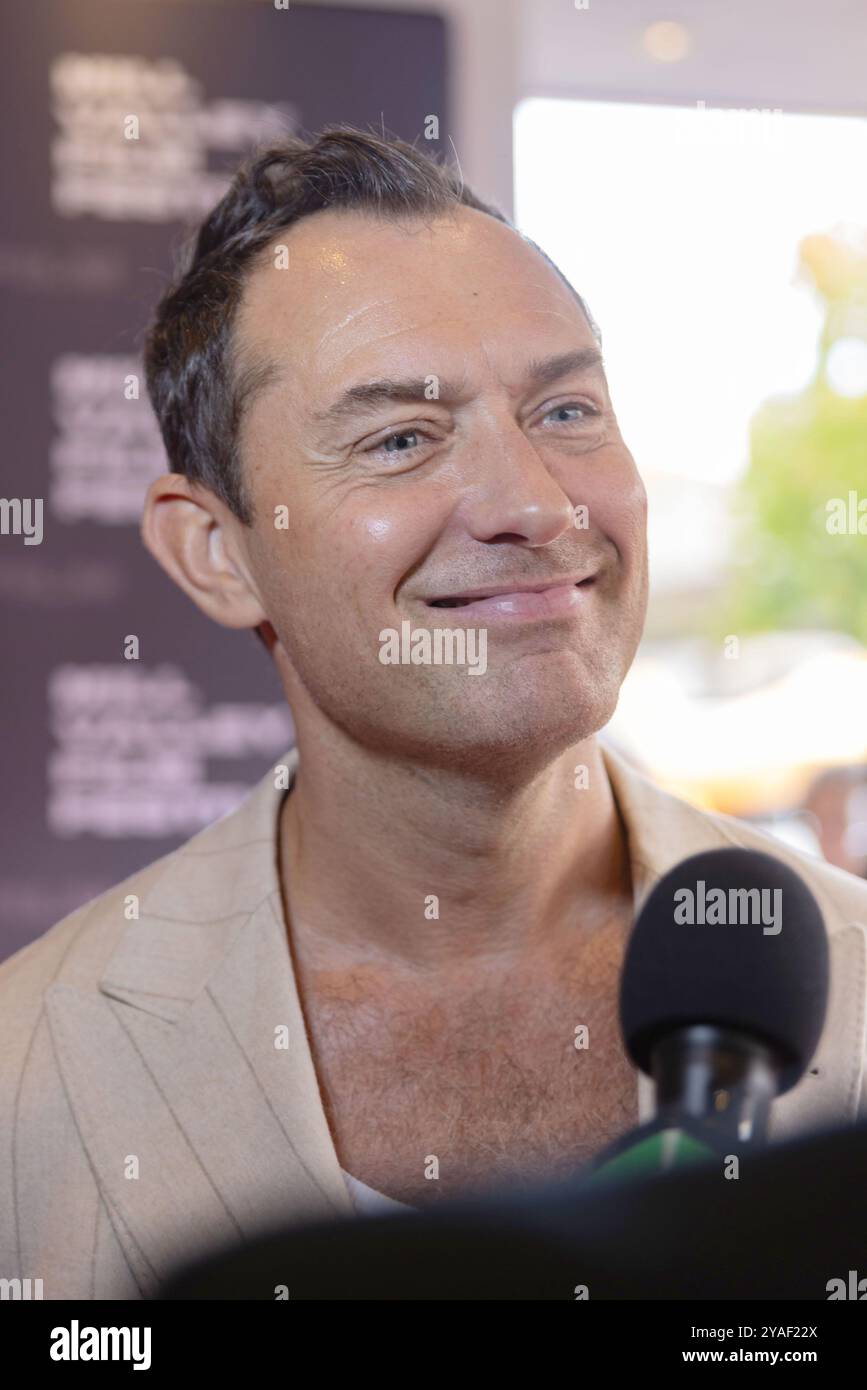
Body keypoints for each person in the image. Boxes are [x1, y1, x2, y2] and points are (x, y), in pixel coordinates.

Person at [2, 127, 867, 1301]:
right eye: (401, 438)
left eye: (565, 411)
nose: (534, 501)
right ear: (217, 553)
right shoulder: (26, 1072)